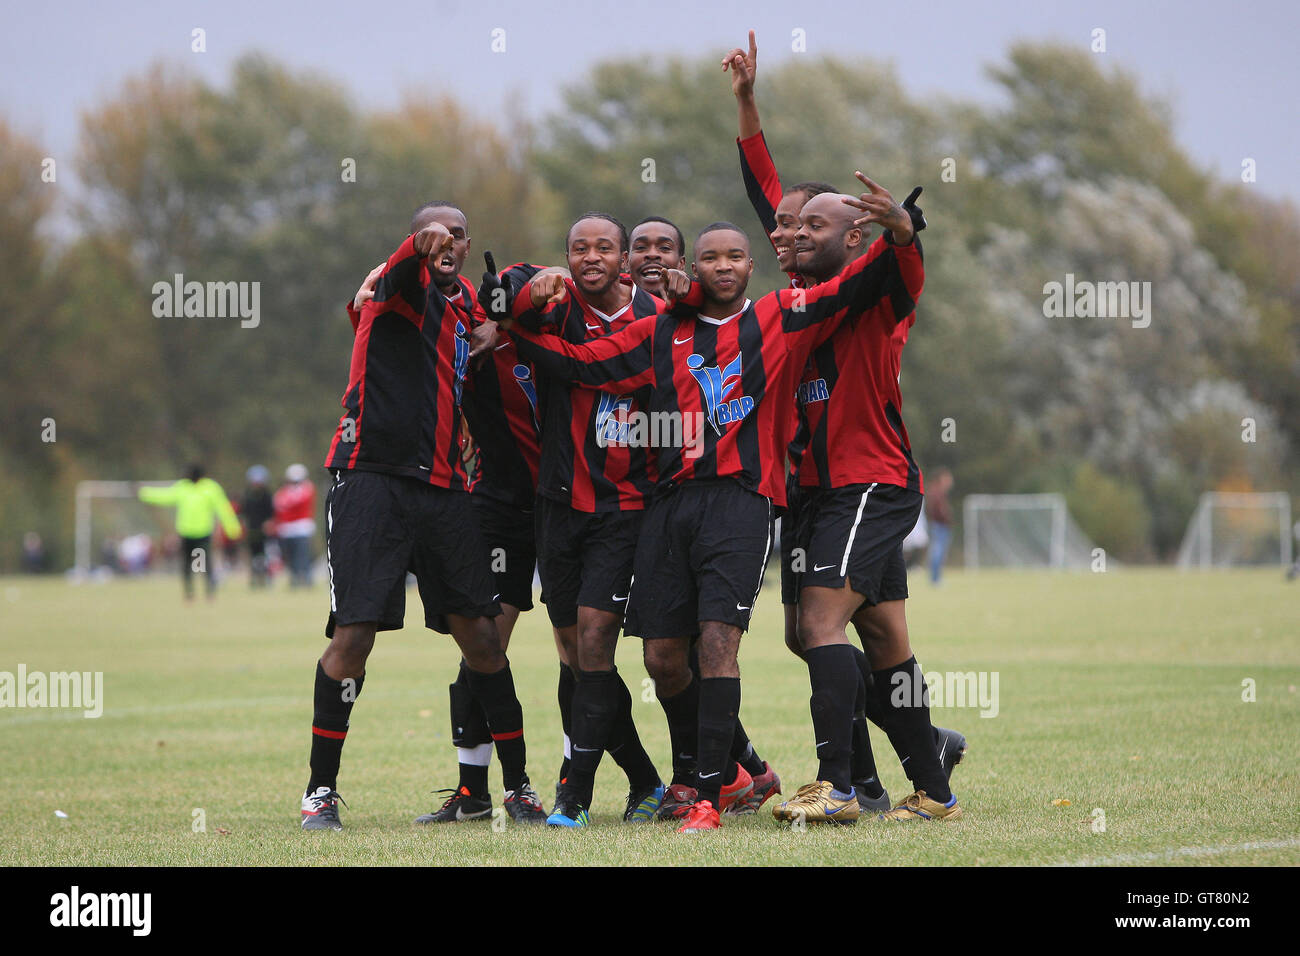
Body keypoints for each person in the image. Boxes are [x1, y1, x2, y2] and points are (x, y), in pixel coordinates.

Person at [504, 206, 924, 833]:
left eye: (734, 257)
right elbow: (586, 364)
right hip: (668, 506)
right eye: (710, 258)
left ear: (751, 267)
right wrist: (513, 329)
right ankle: (739, 775)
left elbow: (862, 283)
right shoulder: (661, 330)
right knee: (662, 657)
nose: (722, 266)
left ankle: (707, 797)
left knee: (723, 644)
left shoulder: (778, 316)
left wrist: (903, 233)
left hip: (741, 503)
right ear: (689, 267)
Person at [725, 31, 966, 820]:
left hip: (868, 482)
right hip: (810, 493)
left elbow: (904, 253)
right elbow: (770, 195)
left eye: (813, 228)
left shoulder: (872, 288)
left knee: (820, 620)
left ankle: (836, 787)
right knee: (871, 639)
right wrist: (747, 104)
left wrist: (903, 227)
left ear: (852, 237)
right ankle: (932, 779)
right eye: (788, 230)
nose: (792, 235)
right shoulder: (795, 291)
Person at [301, 203, 542, 831]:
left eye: (460, 236)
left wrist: (502, 323)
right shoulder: (394, 283)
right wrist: (420, 243)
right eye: (440, 236)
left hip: (446, 490)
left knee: (485, 640)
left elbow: (508, 292)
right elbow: (408, 266)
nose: (450, 244)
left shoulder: (464, 301)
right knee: (353, 637)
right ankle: (319, 795)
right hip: (371, 480)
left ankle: (516, 789)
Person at [138, 465, 241, 601]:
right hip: (186, 533)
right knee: (187, 565)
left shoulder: (210, 488)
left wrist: (233, 528)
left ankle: (209, 591)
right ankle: (189, 592)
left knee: (203, 564)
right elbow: (165, 495)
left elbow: (223, 508)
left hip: (203, 533)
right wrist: (144, 493)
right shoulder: (183, 487)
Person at [273, 464, 317, 588]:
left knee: (303, 556)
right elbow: (278, 503)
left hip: (301, 528)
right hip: (287, 529)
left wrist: (288, 503)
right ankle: (294, 579)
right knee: (291, 556)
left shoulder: (307, 488)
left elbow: (293, 502)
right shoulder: (285, 490)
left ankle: (307, 580)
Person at [241, 465, 275, 589]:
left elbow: (271, 513)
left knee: (264, 555)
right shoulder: (247, 495)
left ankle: (266, 578)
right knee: (253, 556)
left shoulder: (267, 496)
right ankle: (254, 578)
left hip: (263, 531)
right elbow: (244, 512)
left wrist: (269, 523)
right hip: (252, 529)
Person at [926, 468, 955, 584]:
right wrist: (946, 518)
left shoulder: (938, 492)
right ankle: (935, 578)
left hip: (939, 525)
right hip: (939, 525)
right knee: (937, 551)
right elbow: (938, 510)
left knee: (938, 551)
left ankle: (936, 577)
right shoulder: (936, 492)